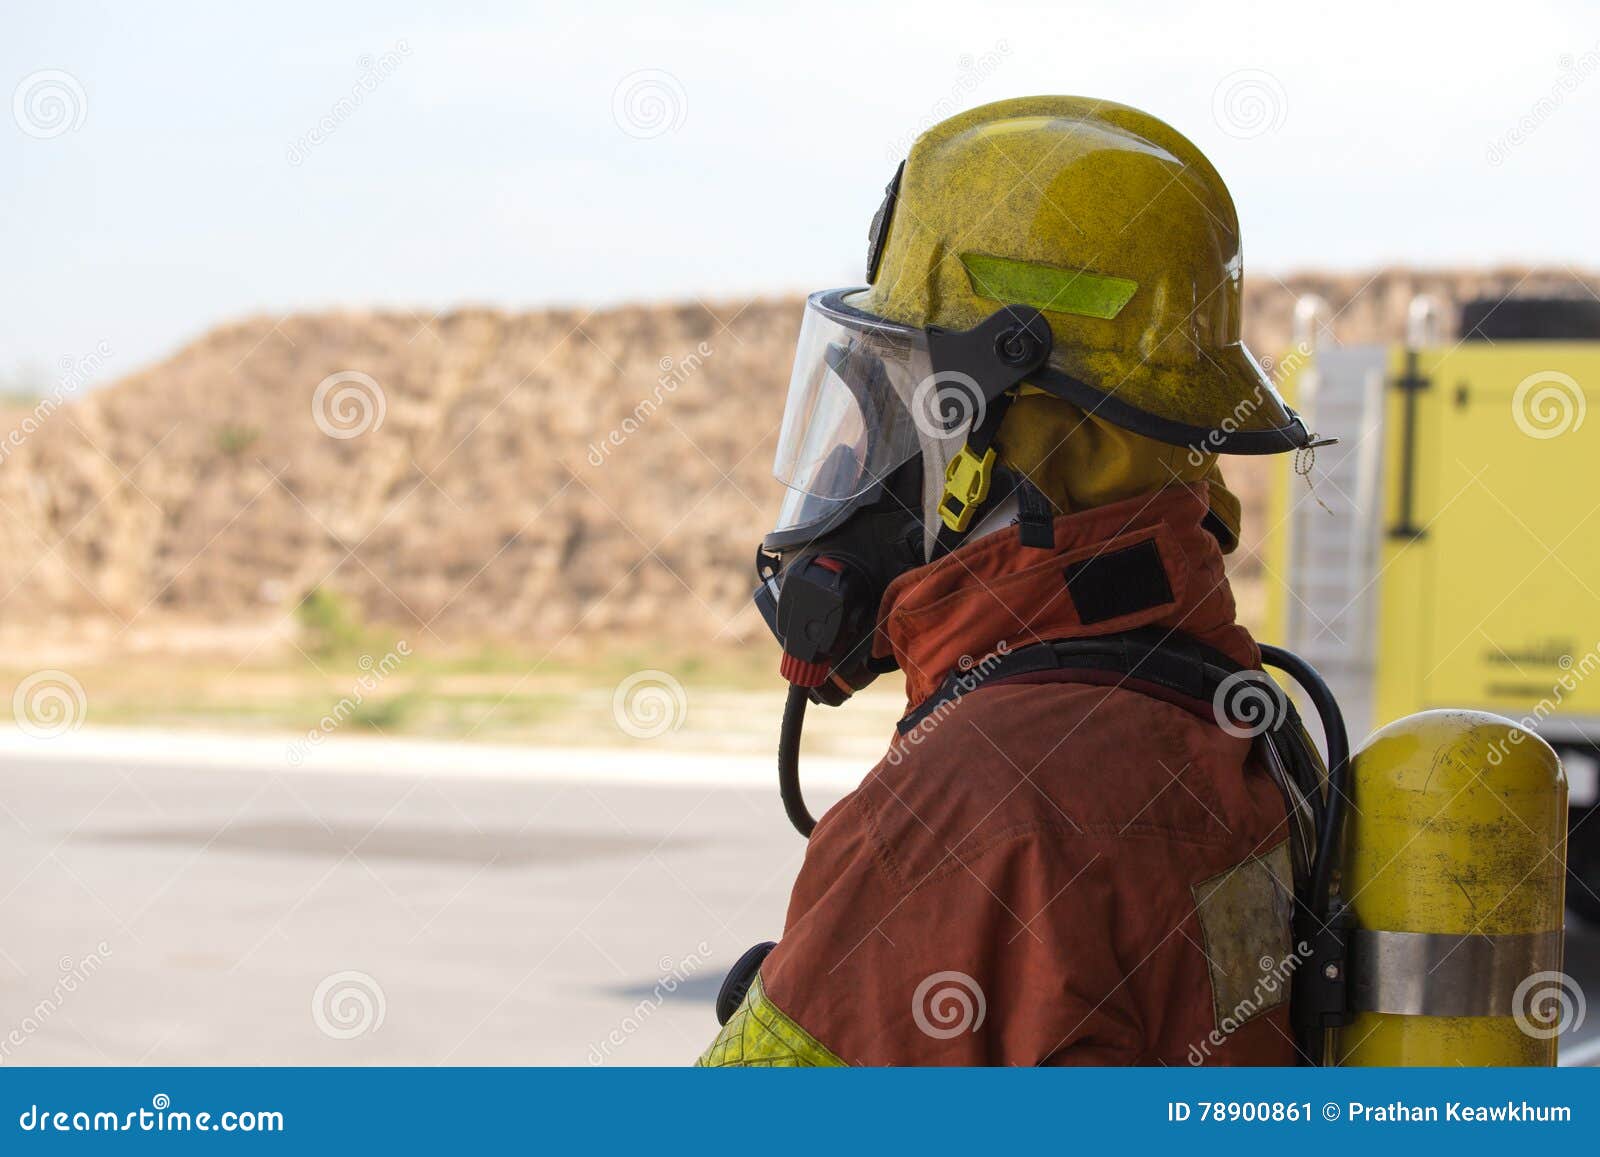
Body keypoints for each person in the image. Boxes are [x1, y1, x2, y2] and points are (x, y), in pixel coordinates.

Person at [701, 96, 1314, 1066]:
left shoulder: (977, 806)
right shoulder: (1240, 727)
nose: (867, 468)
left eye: (912, 414)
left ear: (1067, 445)